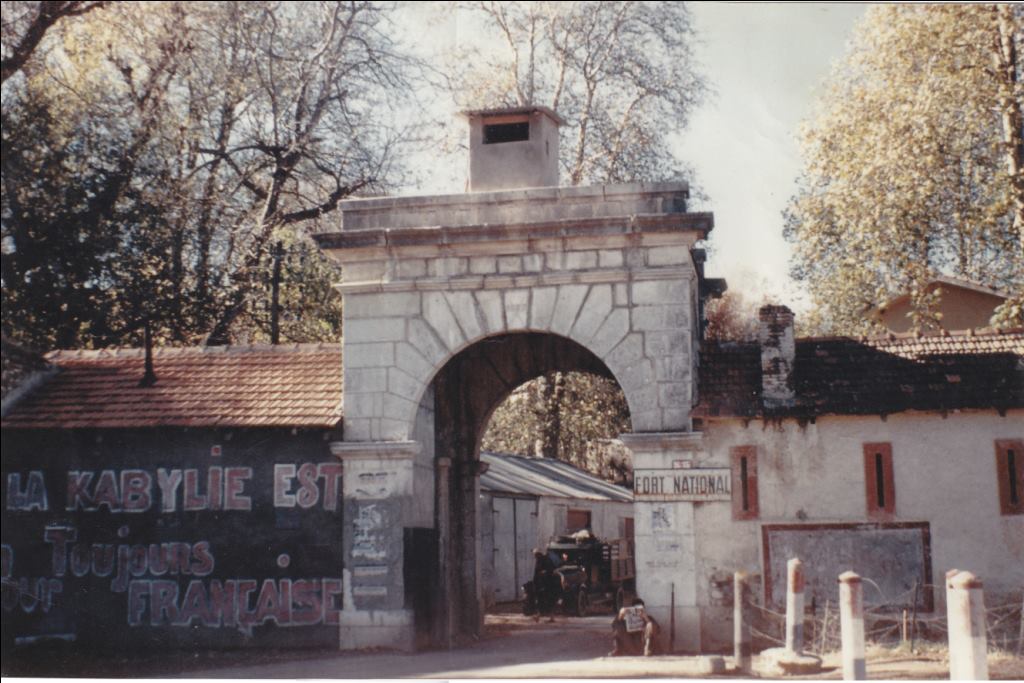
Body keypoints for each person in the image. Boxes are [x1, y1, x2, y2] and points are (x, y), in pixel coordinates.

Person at [532, 548, 558, 623]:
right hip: (546, 584)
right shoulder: (544, 560)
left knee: (542, 600)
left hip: (544, 584)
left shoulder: (542, 560)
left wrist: (545, 573)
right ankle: (549, 617)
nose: (534, 556)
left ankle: (538, 616)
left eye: (535, 554)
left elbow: (548, 571)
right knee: (547, 601)